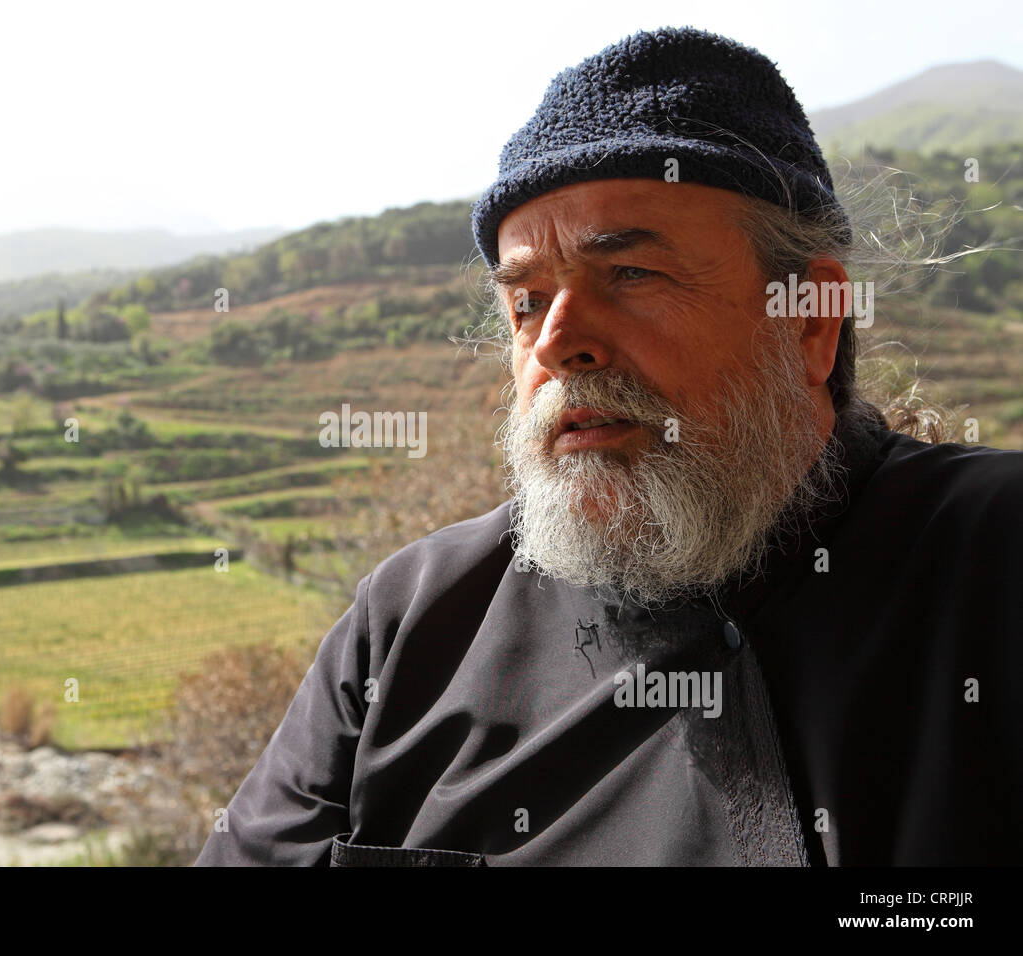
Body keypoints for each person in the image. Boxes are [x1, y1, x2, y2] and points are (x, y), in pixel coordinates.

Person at [195, 25, 1022, 866]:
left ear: (807, 318)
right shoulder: (410, 623)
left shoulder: (994, 557)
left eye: (630, 274)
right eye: (525, 302)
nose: (557, 343)